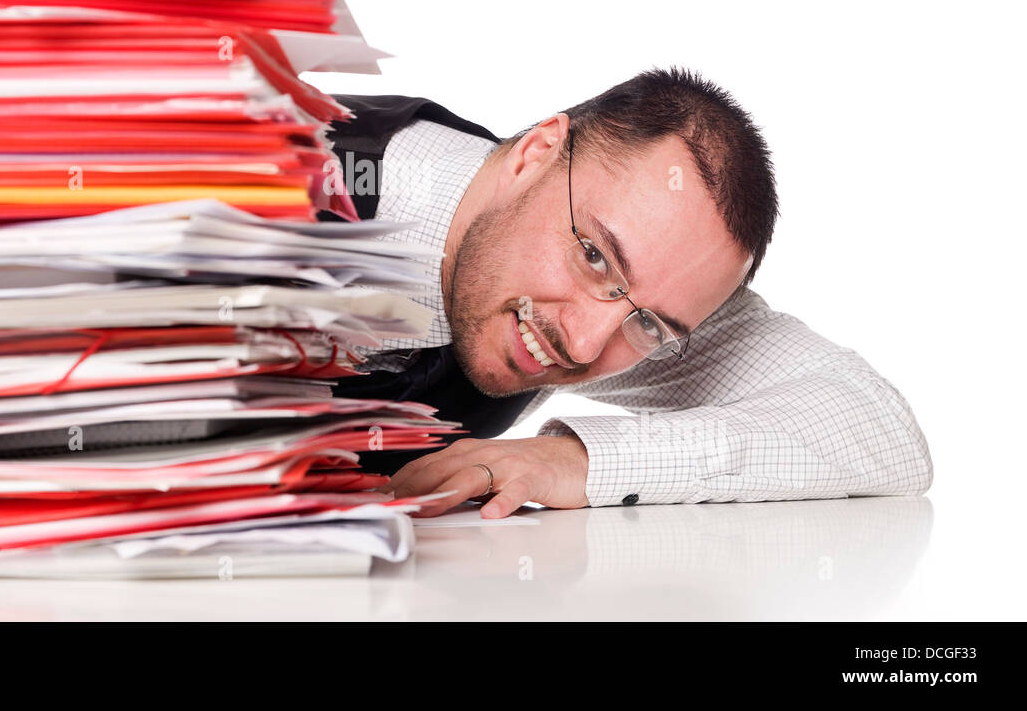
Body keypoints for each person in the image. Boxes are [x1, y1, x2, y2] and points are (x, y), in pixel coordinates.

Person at [323, 68, 933, 518]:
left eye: (648, 325)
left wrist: (580, 460)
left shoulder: (630, 295)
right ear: (535, 154)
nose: (584, 345)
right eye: (593, 257)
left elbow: (877, 429)